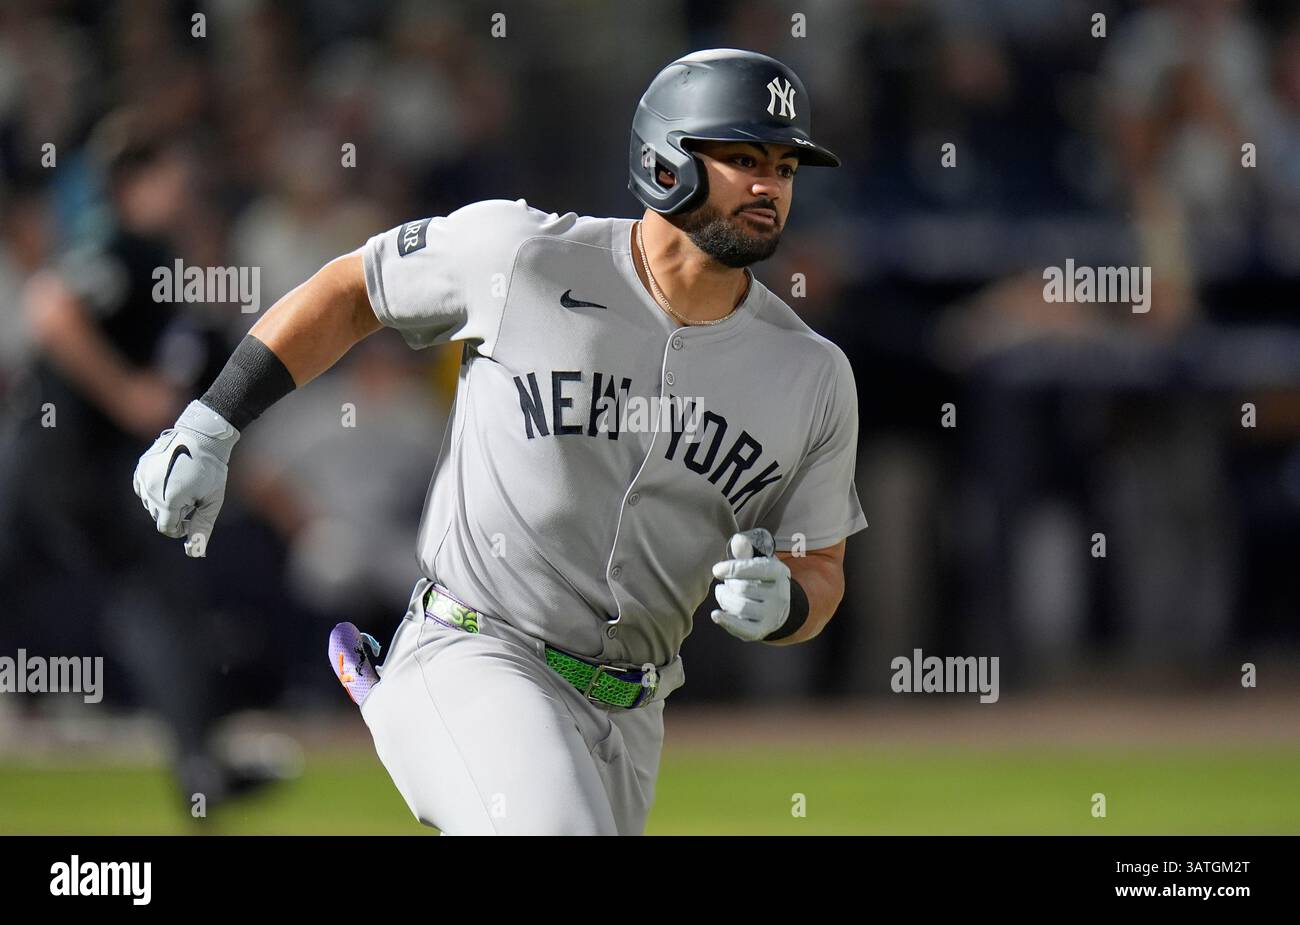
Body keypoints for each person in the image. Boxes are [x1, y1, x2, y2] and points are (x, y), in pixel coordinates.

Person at [132, 48, 868, 835]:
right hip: (478, 649)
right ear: (665, 160)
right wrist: (213, 420)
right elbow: (356, 289)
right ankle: (415, 703)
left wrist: (787, 601)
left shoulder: (813, 374)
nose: (770, 185)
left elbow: (820, 565)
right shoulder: (525, 254)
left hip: (630, 712)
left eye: (786, 166)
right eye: (745, 157)